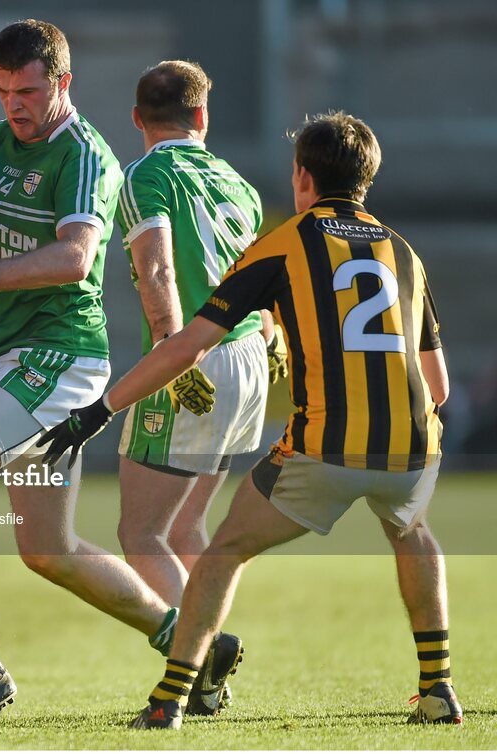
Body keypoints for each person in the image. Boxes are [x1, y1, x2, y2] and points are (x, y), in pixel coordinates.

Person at [38, 111, 459, 729]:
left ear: (302, 176)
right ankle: (438, 687)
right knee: (413, 532)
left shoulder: (285, 242)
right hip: (414, 448)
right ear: (367, 179)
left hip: (324, 450)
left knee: (223, 553)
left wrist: (100, 410)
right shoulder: (406, 254)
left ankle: (171, 698)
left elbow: (188, 346)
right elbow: (439, 386)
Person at [0, 20, 240, 727]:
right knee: (48, 550)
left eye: (27, 91)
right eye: (2, 90)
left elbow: (76, 257)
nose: (13, 105)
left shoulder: (85, 155)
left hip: (60, 358)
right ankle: (190, 645)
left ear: (63, 82)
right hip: (24, 360)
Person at [114, 61, 282, 713]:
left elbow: (157, 269)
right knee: (187, 528)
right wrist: (271, 333)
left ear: (138, 118)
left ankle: (200, 658)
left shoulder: (145, 174)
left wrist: (170, 352)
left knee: (140, 536)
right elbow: (259, 277)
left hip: (192, 357)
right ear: (202, 116)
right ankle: (208, 682)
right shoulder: (237, 183)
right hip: (251, 355)